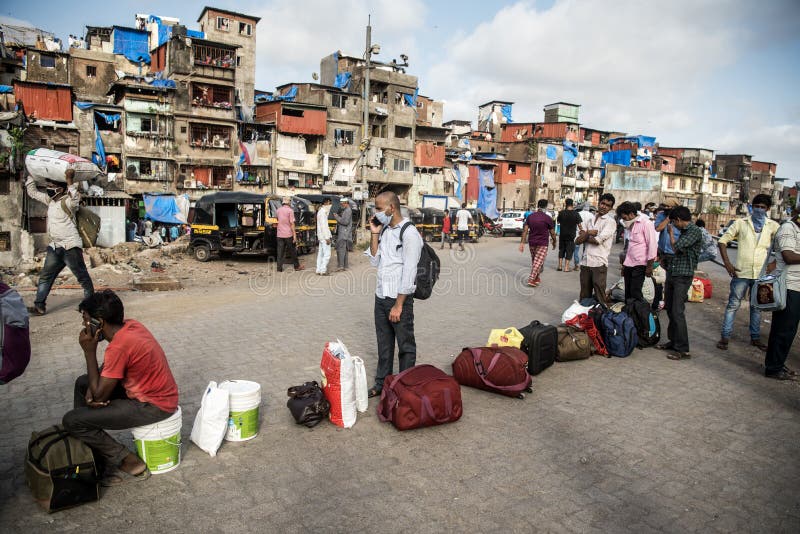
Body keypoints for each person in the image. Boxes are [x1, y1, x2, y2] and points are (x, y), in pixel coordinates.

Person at [62, 290, 178, 486]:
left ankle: (129, 462)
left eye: (86, 320)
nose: (84, 325)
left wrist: (89, 352)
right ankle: (90, 451)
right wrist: (94, 389)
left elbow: (99, 393)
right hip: (150, 393)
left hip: (154, 405)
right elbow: (107, 370)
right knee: (83, 383)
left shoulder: (120, 346)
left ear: (99, 322)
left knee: (72, 421)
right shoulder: (131, 326)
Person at [365, 192, 423, 398]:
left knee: (406, 346)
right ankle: (382, 384)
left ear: (392, 208)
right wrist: (374, 233)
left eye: (379, 208)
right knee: (384, 345)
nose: (376, 212)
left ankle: (404, 389)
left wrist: (399, 305)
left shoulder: (409, 234)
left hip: (399, 300)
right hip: (380, 297)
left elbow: (409, 273)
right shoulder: (385, 231)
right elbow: (374, 261)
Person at [24, 170, 94, 316]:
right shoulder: (50, 201)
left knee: (82, 277)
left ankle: (90, 306)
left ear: (61, 189)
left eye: (51, 185)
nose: (48, 188)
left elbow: (75, 197)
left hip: (70, 247)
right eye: (48, 185)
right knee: (46, 276)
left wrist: (69, 180)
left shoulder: (68, 202)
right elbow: (32, 192)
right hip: (55, 247)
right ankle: (39, 306)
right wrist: (31, 173)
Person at [717, 194, 780, 351]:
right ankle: (725, 337)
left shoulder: (773, 226)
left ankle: (755, 338)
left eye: (762, 207)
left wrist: (774, 263)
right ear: (752, 207)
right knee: (733, 305)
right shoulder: (741, 223)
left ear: (768, 209)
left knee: (757, 306)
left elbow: (783, 246)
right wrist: (727, 264)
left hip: (761, 274)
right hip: (741, 272)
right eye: (756, 206)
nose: (759, 209)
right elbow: (722, 241)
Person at [658, 207, 703, 361]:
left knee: (677, 311)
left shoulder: (694, 231)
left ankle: (683, 349)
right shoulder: (685, 232)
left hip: (683, 276)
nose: (674, 226)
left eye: (674, 222)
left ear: (677, 220)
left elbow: (676, 247)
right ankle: (674, 341)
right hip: (674, 272)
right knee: (670, 308)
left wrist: (671, 235)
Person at [764, 206, 800, 380]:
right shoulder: (788, 228)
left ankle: (777, 364)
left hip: (796, 287)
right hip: (788, 286)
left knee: (788, 330)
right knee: (783, 330)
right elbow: (789, 256)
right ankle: (773, 368)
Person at [576, 194, 616, 304]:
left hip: (599, 263)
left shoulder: (610, 222)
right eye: (603, 203)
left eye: (608, 205)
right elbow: (577, 240)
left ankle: (600, 318)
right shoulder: (590, 220)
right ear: (598, 203)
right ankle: (584, 318)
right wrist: (588, 233)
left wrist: (585, 236)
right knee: (584, 294)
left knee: (600, 295)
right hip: (585, 261)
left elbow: (597, 241)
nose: (604, 207)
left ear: (611, 208)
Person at [617, 201, 658, 302]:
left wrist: (649, 266)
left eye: (625, 217)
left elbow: (652, 245)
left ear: (631, 214)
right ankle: (629, 314)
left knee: (635, 292)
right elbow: (631, 247)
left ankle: (638, 314)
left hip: (640, 264)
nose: (624, 220)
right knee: (628, 293)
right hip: (629, 264)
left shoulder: (646, 223)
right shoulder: (631, 224)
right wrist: (624, 266)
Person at [519, 199, 556, 288]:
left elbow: (525, 230)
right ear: (546, 207)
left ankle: (536, 277)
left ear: (538, 206)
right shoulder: (547, 218)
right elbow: (552, 232)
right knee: (538, 261)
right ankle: (531, 279)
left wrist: (522, 243)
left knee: (535, 261)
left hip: (532, 242)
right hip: (542, 243)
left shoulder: (530, 217)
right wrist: (554, 242)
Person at [276, 197, 303, 272]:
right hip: (288, 234)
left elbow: (278, 220)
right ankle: (296, 266)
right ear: (288, 203)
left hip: (279, 234)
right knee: (293, 251)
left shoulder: (278, 210)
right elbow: (292, 224)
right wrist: (294, 236)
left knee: (280, 252)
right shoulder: (290, 211)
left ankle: (279, 268)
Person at [556, 199, 582, 272]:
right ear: (572, 204)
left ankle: (560, 266)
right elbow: (579, 225)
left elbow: (558, 221)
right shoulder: (576, 213)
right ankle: (566, 267)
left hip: (562, 234)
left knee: (561, 250)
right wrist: (582, 231)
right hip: (571, 235)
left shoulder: (561, 213)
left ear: (565, 204)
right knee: (569, 250)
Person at [332, 198, 352, 271]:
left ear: (345, 203)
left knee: (341, 249)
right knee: (344, 250)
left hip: (344, 233)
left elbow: (345, 222)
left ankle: (341, 266)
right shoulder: (346, 210)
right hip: (344, 233)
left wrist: (336, 217)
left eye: (342, 203)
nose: (341, 205)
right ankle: (345, 266)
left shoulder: (348, 211)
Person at [316, 197, 333, 275]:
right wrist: (327, 238)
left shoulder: (321, 211)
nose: (330, 205)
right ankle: (323, 270)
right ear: (326, 203)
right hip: (324, 237)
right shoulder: (322, 212)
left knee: (321, 254)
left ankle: (318, 269)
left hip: (321, 236)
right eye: (330, 203)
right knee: (327, 254)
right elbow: (323, 226)